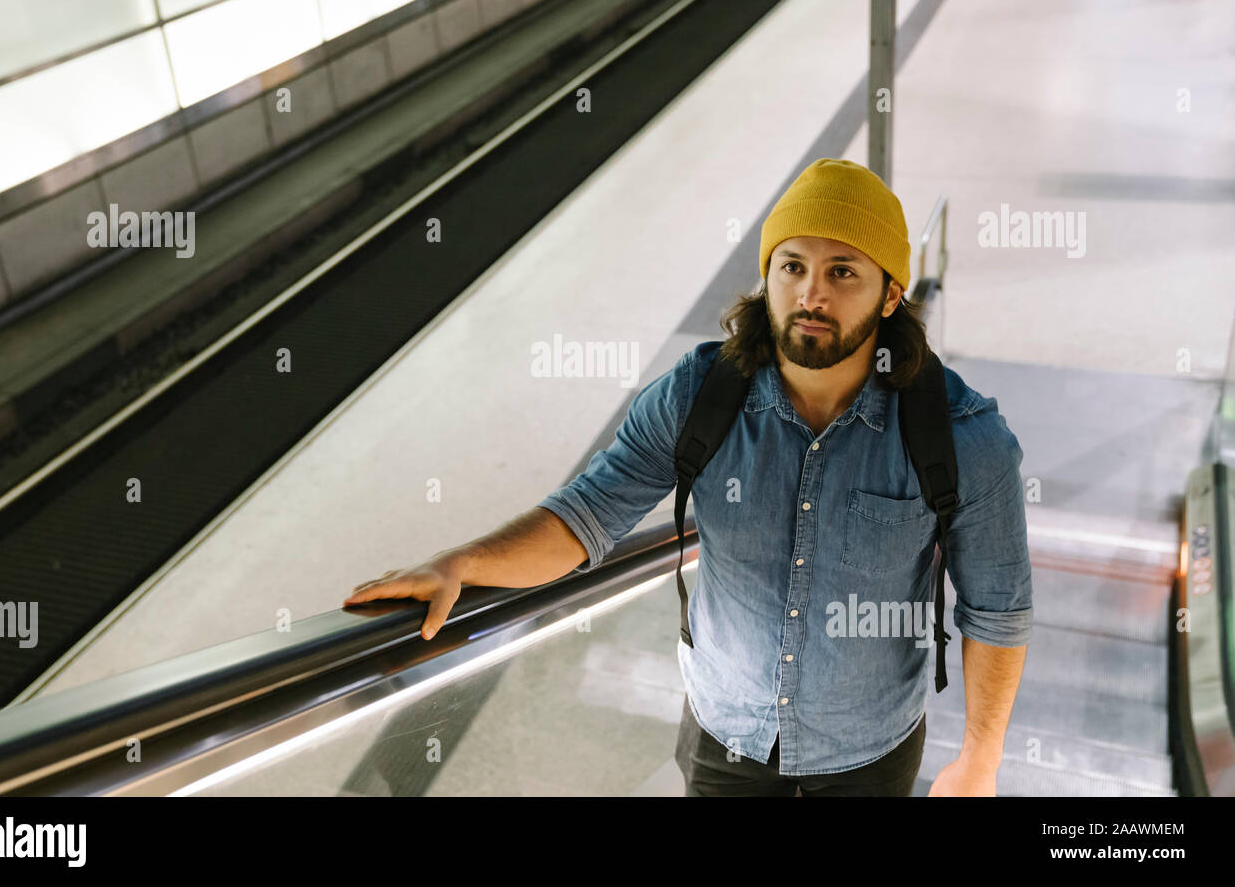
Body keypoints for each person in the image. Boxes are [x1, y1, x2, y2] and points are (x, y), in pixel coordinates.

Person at [345, 158, 1032, 796]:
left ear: (890, 295)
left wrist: (980, 757)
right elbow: (587, 515)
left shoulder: (961, 438)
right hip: (723, 735)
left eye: (843, 271)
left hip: (868, 753)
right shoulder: (699, 399)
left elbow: (996, 608)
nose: (812, 293)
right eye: (791, 266)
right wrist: (463, 563)